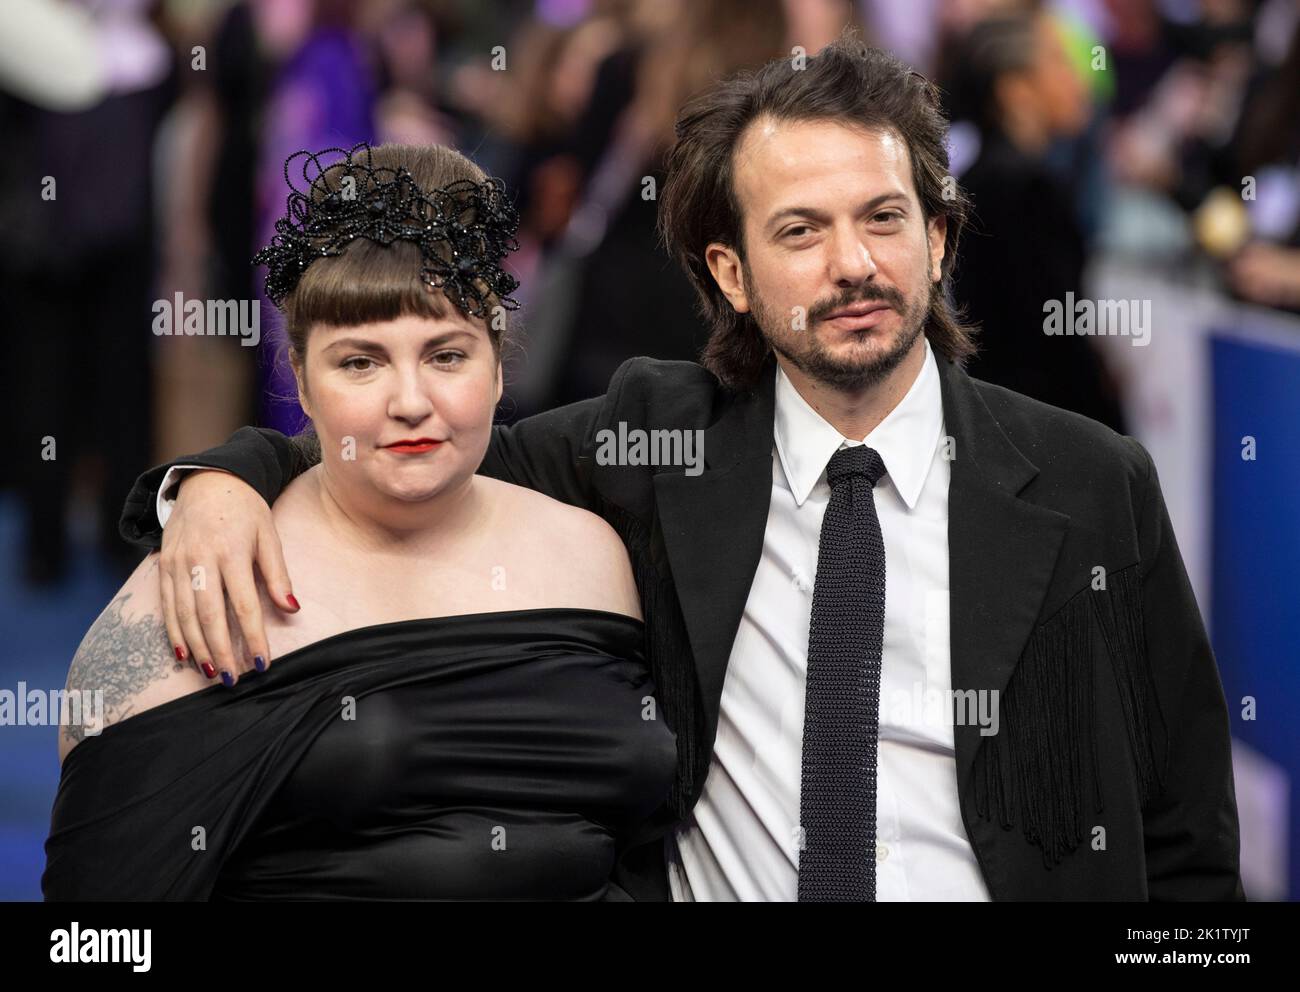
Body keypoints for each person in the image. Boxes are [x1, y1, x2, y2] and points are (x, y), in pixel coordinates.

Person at [118, 31, 1243, 902]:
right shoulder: (656, 444)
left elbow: (1187, 829)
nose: (853, 264)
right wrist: (221, 480)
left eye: (884, 219)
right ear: (732, 272)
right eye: (799, 230)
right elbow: (420, 445)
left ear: (938, 241)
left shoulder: (1093, 481)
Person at [43, 143, 676, 901]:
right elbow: (95, 935)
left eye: (446, 356)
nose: (410, 401)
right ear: (301, 382)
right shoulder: (198, 584)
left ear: (500, 367)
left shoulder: (592, 550)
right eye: (360, 362)